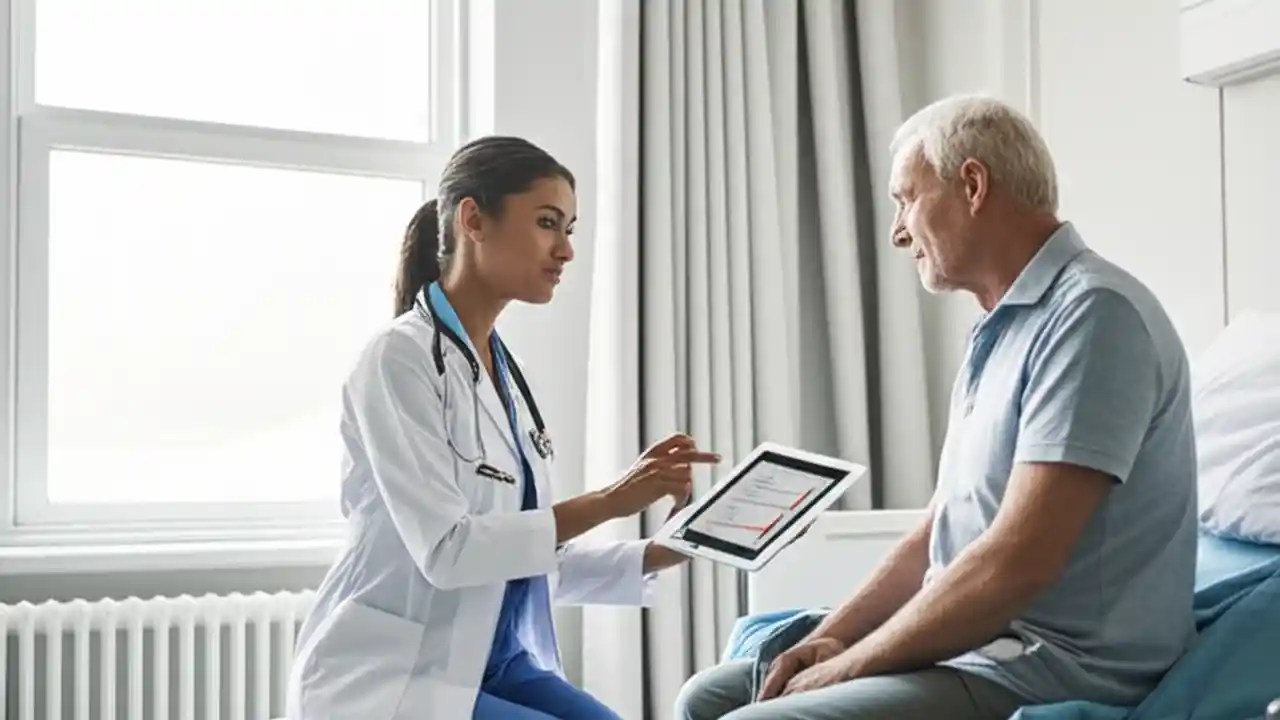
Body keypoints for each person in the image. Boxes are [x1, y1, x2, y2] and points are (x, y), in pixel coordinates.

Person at [675, 95, 1197, 719]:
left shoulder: (1094, 316)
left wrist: (847, 667)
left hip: (1050, 667)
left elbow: (1019, 560)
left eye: (906, 200)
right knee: (706, 698)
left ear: (972, 185)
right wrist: (825, 641)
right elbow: (938, 533)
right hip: (980, 647)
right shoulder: (1001, 328)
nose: (898, 232)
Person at [286, 136, 718, 720]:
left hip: (493, 661)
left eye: (569, 229)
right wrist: (612, 500)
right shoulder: (398, 359)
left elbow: (518, 557)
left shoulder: (503, 377)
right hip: (394, 674)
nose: (566, 250)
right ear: (473, 220)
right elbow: (450, 552)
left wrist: (664, 549)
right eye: (547, 223)